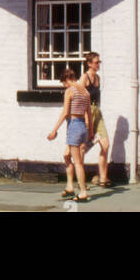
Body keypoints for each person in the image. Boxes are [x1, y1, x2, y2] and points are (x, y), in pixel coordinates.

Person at [47, 68, 93, 201]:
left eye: (63, 84)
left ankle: (83, 191)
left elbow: (65, 112)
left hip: (74, 126)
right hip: (83, 126)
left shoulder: (69, 91)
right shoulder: (85, 92)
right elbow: (89, 113)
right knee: (67, 155)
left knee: (78, 162)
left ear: (66, 80)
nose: (64, 87)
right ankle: (70, 187)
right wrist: (90, 131)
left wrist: (54, 129)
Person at [82, 51, 111, 187]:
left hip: (97, 111)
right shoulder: (84, 78)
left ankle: (103, 178)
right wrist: (86, 118)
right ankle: (80, 180)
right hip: (87, 112)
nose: (98, 64)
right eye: (96, 62)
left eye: (99, 62)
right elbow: (78, 96)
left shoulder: (98, 78)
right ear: (89, 64)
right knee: (82, 147)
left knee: (105, 144)